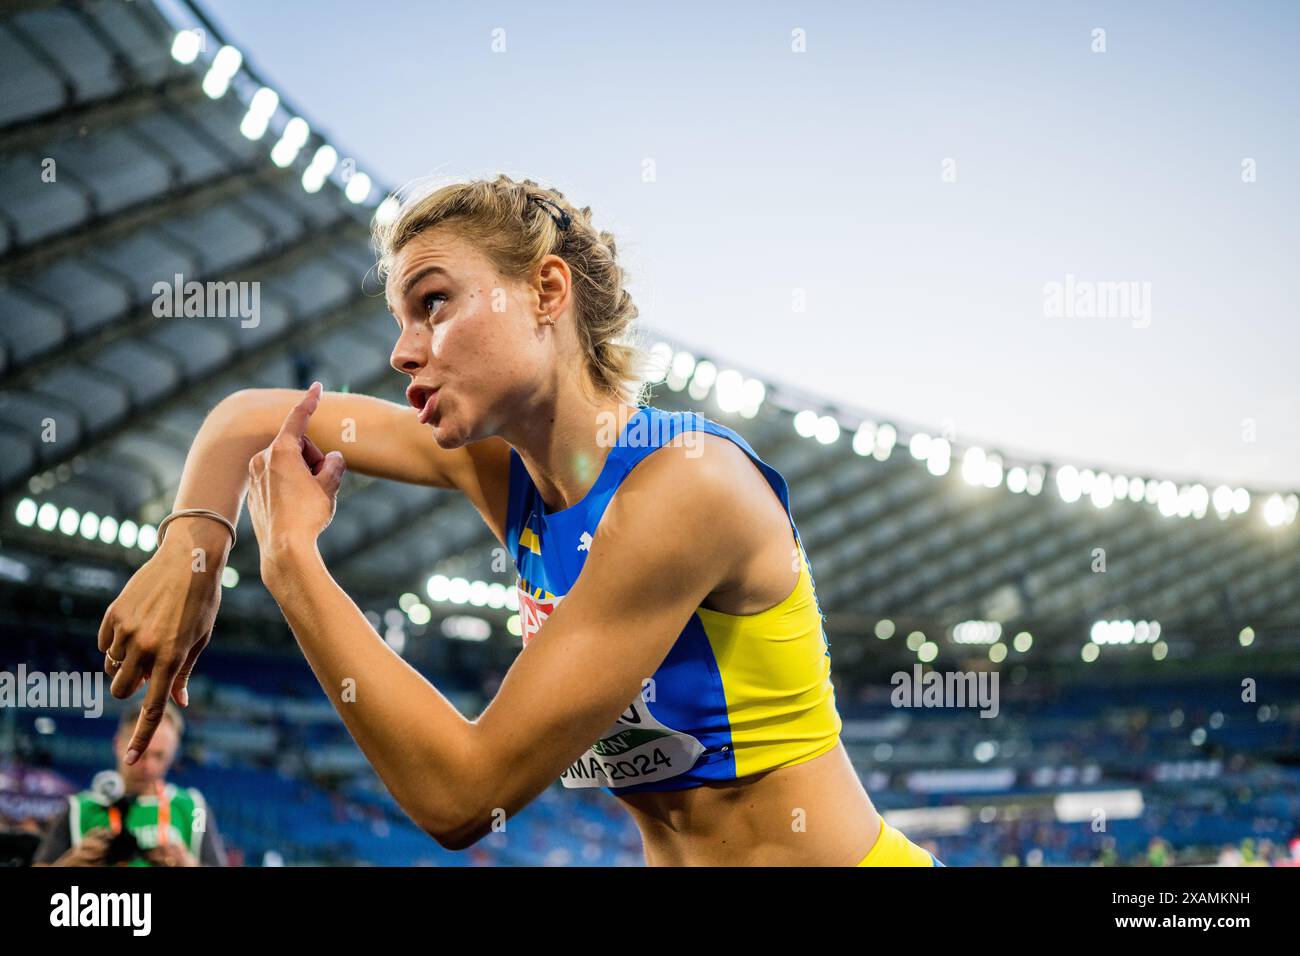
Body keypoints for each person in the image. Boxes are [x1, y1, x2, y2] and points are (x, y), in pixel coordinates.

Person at [98, 174, 938, 866]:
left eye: (432, 303)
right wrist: (194, 546)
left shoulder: (687, 488)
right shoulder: (505, 472)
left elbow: (461, 797)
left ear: (546, 290)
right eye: (399, 319)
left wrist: (289, 562)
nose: (402, 350)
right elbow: (250, 415)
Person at [33, 702, 226, 867]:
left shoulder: (194, 809)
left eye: (160, 756)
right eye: (140, 752)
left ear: (173, 755)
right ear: (118, 744)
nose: (148, 766)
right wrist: (70, 863)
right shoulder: (78, 809)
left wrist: (188, 864)